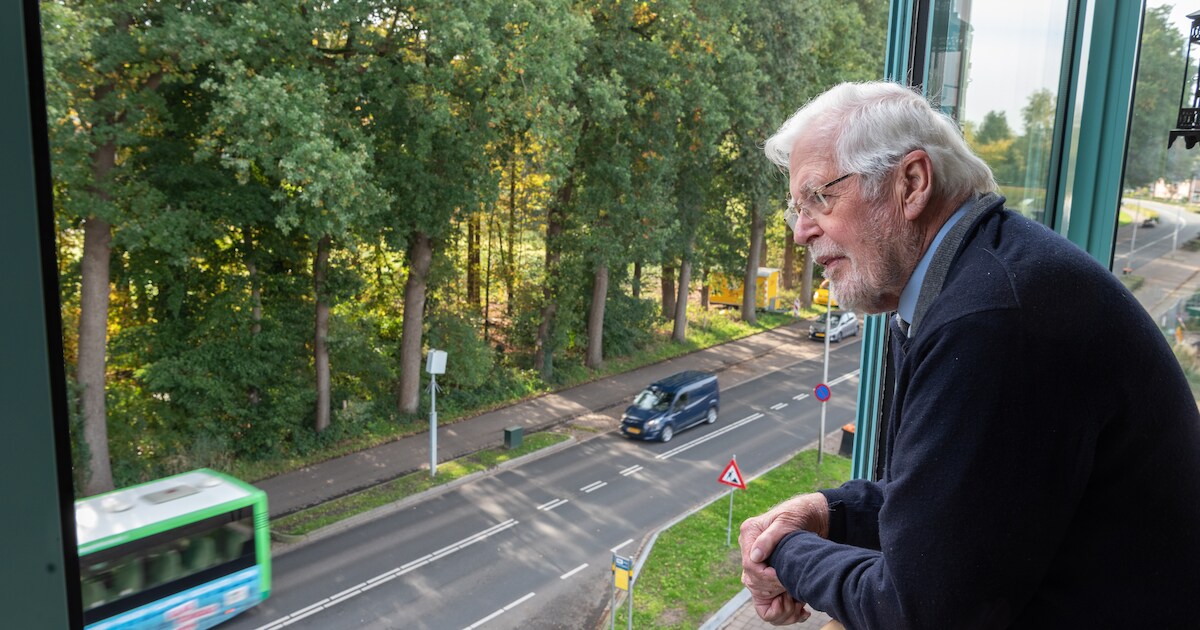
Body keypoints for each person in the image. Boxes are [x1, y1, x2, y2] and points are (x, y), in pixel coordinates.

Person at [739, 81, 1200, 628]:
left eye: (819, 197)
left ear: (911, 183)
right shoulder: (972, 281)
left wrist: (785, 553)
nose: (800, 232)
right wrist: (829, 515)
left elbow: (921, 612)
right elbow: (950, 498)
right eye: (796, 208)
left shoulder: (993, 320)